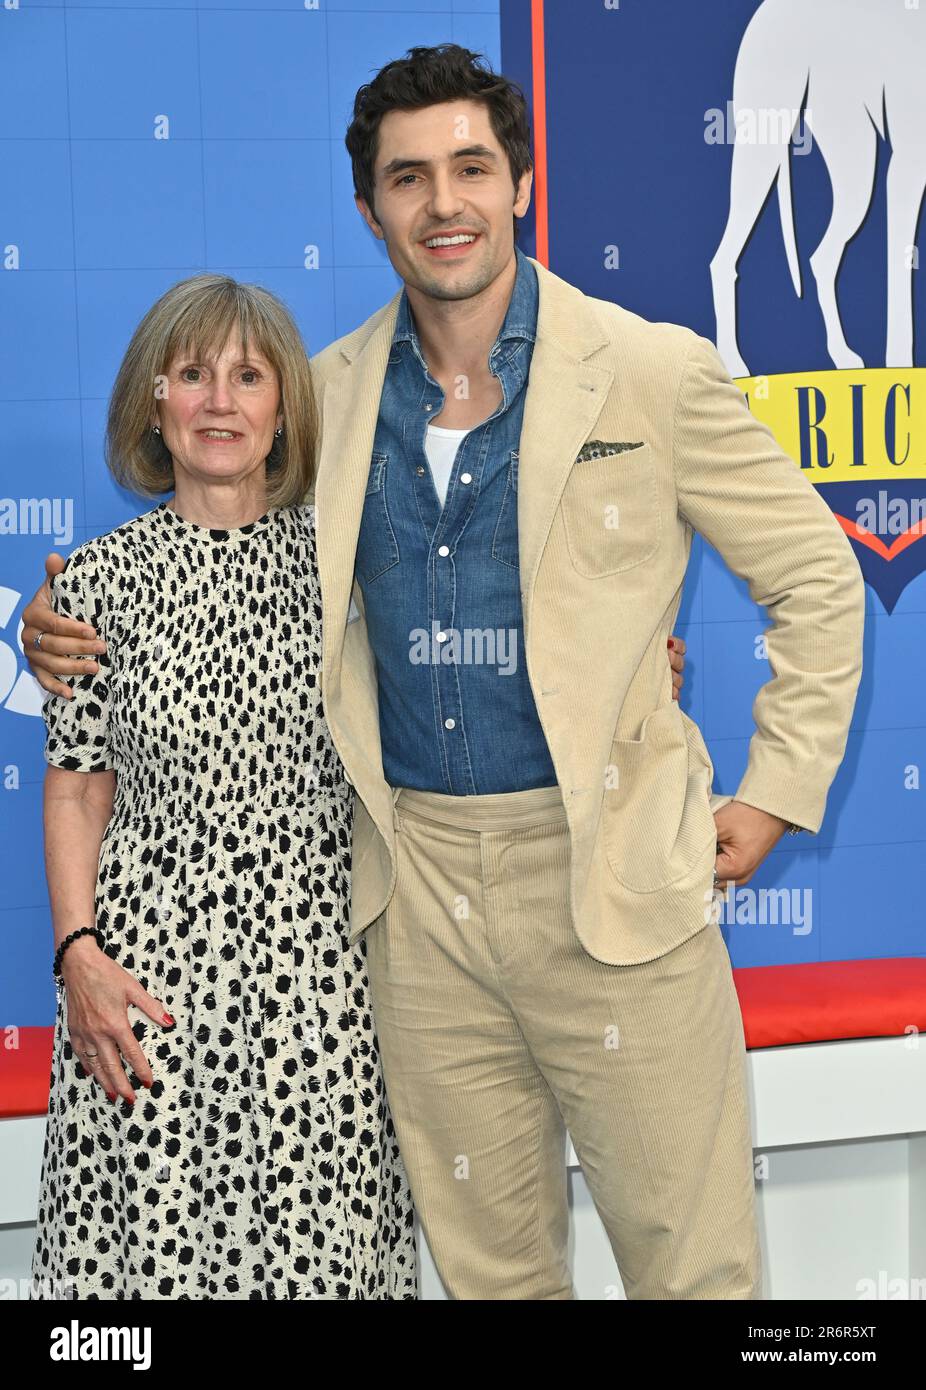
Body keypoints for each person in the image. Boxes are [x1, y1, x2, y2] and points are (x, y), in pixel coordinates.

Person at [23, 41, 838, 1301]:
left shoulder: (649, 367)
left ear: (520, 180)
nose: (442, 203)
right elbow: (215, 561)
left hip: (611, 878)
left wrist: (774, 791)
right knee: (491, 1278)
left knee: (694, 1272)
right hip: (412, 908)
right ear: (369, 209)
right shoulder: (329, 396)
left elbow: (814, 579)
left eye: (470, 167)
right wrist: (49, 625)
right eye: (408, 179)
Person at [26, 275, 417, 1300]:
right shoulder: (93, 583)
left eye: (247, 377)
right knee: (156, 1263)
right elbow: (76, 784)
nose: (218, 403)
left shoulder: (345, 563)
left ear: (284, 403)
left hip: (321, 977)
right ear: (152, 401)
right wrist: (78, 957)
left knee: (316, 1254)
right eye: (191, 375)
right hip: (146, 982)